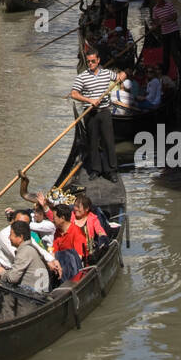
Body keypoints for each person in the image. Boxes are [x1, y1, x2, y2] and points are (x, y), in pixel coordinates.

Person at [70, 50, 119, 182]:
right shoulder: (82, 77)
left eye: (92, 61)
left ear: (98, 61)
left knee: (108, 141)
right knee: (92, 142)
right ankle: (96, 170)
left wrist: (125, 74)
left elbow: (118, 77)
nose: (90, 64)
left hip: (104, 111)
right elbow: (74, 94)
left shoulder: (107, 73)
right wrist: (89, 100)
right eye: (88, 62)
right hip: (90, 113)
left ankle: (111, 170)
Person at [0, 220, 55, 298]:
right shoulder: (30, 248)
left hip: (32, 297)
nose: (9, 237)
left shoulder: (24, 251)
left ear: (20, 237)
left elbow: (12, 278)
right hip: (39, 292)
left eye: (11, 234)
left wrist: (2, 273)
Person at [51, 205, 86, 280]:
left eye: (54, 218)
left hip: (74, 269)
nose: (52, 220)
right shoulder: (57, 232)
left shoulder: (77, 232)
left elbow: (78, 257)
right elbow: (54, 252)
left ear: (62, 218)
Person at [151, 0, 180, 65]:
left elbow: (175, 16)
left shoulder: (169, 5)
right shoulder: (155, 9)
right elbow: (155, 21)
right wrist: (157, 24)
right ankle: (166, 67)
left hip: (174, 30)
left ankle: (177, 64)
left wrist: (166, 19)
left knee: (175, 49)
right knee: (166, 52)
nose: (158, 0)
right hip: (165, 32)